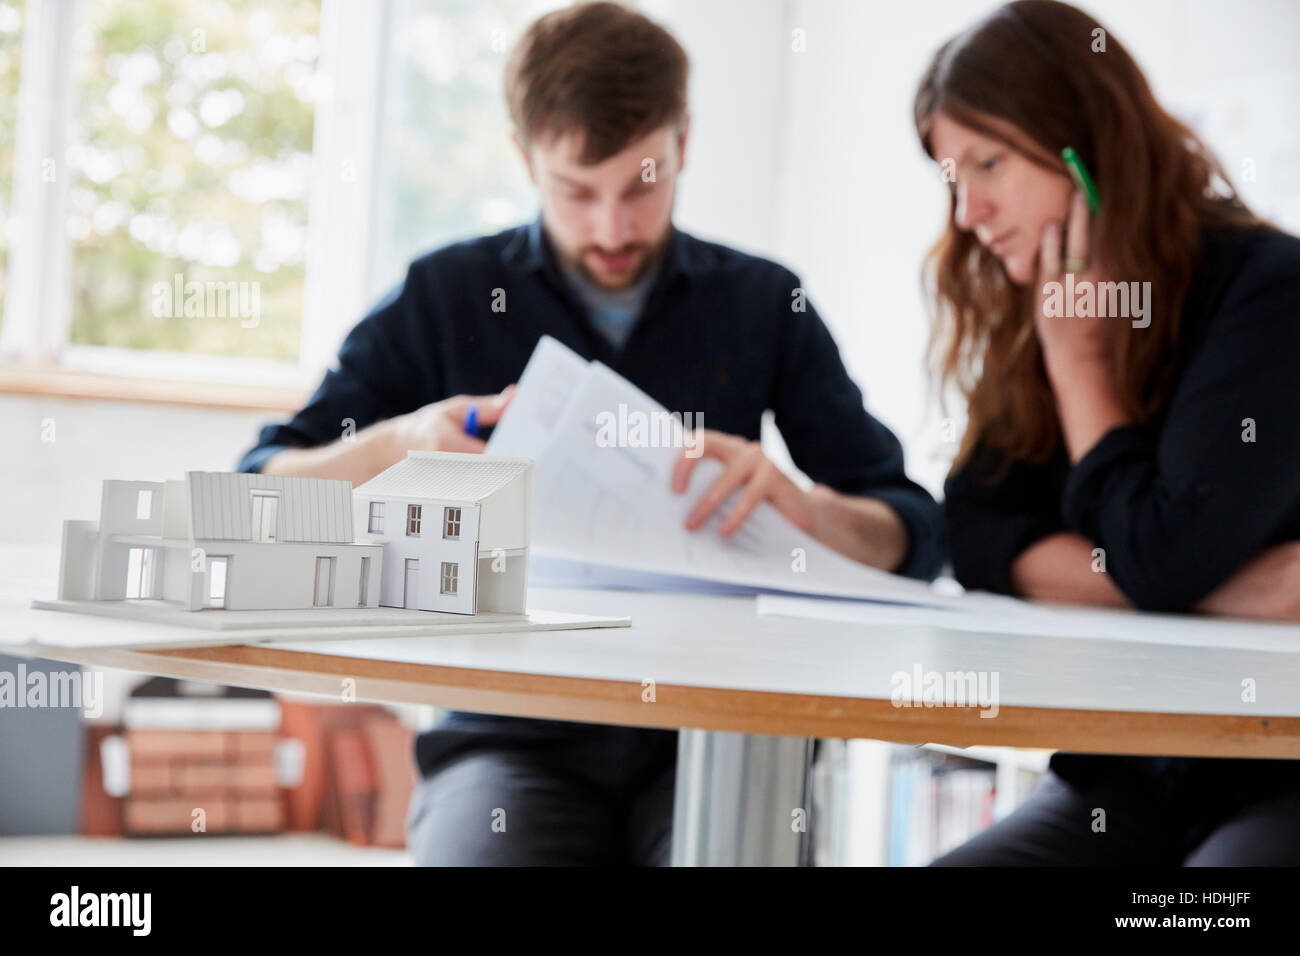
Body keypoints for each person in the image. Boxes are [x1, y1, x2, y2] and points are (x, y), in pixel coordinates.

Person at [237, 1, 944, 866]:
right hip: (509, 735)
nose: (613, 229)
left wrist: (806, 511)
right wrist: (392, 445)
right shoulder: (444, 292)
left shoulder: (763, 302)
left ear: (684, 145)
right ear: (523, 158)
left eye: (643, 184)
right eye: (577, 191)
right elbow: (256, 494)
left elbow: (913, 530)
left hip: (717, 726)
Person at [911, 0, 1300, 865]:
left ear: (1089, 147)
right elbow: (971, 532)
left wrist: (1081, 365)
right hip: (1124, 774)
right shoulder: (1030, 308)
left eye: (991, 162)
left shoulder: (1268, 291)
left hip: (1274, 771)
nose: (970, 209)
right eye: (952, 176)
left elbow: (1162, 551)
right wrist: (1235, 592)